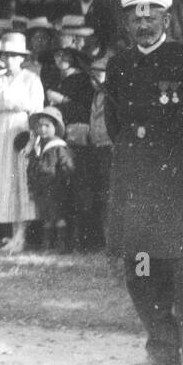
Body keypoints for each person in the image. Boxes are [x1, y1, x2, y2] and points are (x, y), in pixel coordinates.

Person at [103, 0, 183, 365]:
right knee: (140, 269)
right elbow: (113, 121)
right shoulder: (118, 64)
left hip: (176, 187)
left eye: (151, 17)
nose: (143, 24)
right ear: (127, 22)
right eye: (136, 18)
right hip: (136, 190)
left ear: (166, 20)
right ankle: (161, 348)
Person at [0, 32, 43, 254]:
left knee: (21, 181)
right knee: (5, 180)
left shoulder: (31, 79)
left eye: (14, 56)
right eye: (6, 55)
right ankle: (13, 233)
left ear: (22, 58)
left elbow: (36, 112)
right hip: (1, 130)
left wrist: (32, 141)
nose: (9, 60)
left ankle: (21, 236)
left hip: (21, 129)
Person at [23, 106, 75, 253]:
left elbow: (67, 166)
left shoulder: (58, 147)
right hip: (43, 189)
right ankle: (47, 245)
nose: (43, 129)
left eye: (47, 125)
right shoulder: (38, 148)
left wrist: (64, 181)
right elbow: (33, 168)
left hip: (56, 188)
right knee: (46, 217)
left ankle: (62, 245)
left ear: (55, 127)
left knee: (59, 216)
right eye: (40, 125)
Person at [79, 52, 113, 250]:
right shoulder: (96, 96)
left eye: (98, 76)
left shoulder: (114, 95)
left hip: (111, 148)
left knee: (110, 194)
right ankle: (106, 239)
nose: (94, 81)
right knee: (100, 193)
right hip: (97, 148)